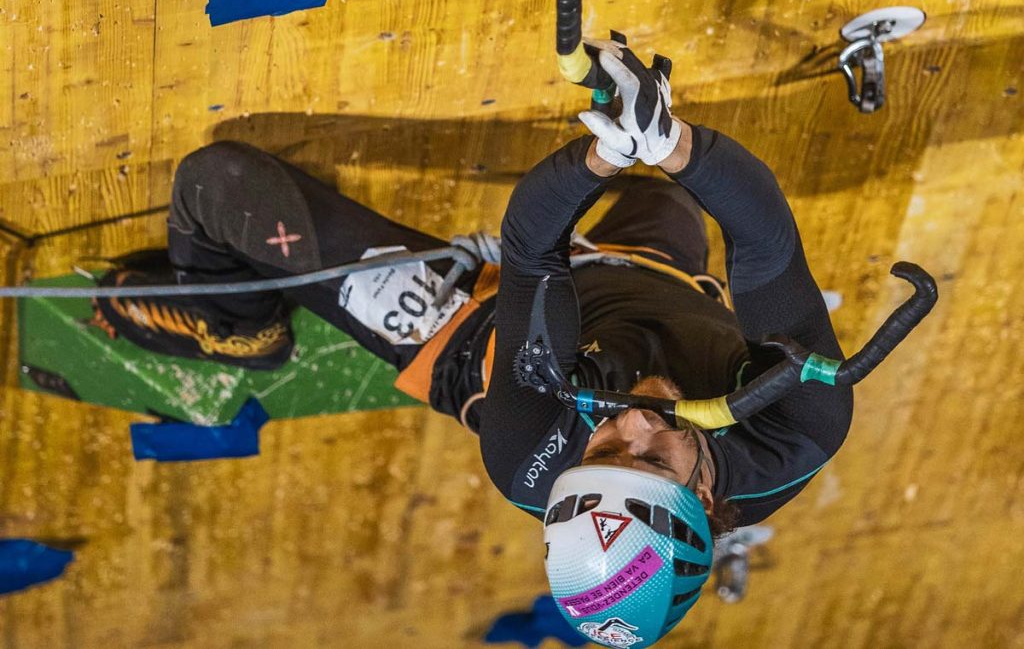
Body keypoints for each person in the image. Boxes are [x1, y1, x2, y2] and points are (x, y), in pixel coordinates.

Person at [91, 41, 851, 648]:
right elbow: (767, 241)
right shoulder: (803, 427)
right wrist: (664, 138)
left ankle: (240, 331)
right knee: (671, 188)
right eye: (655, 459)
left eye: (607, 449)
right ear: (707, 494)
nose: (637, 424)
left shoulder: (530, 452)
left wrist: (597, 160)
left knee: (213, 183)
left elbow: (529, 251)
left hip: (469, 332)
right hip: (653, 278)